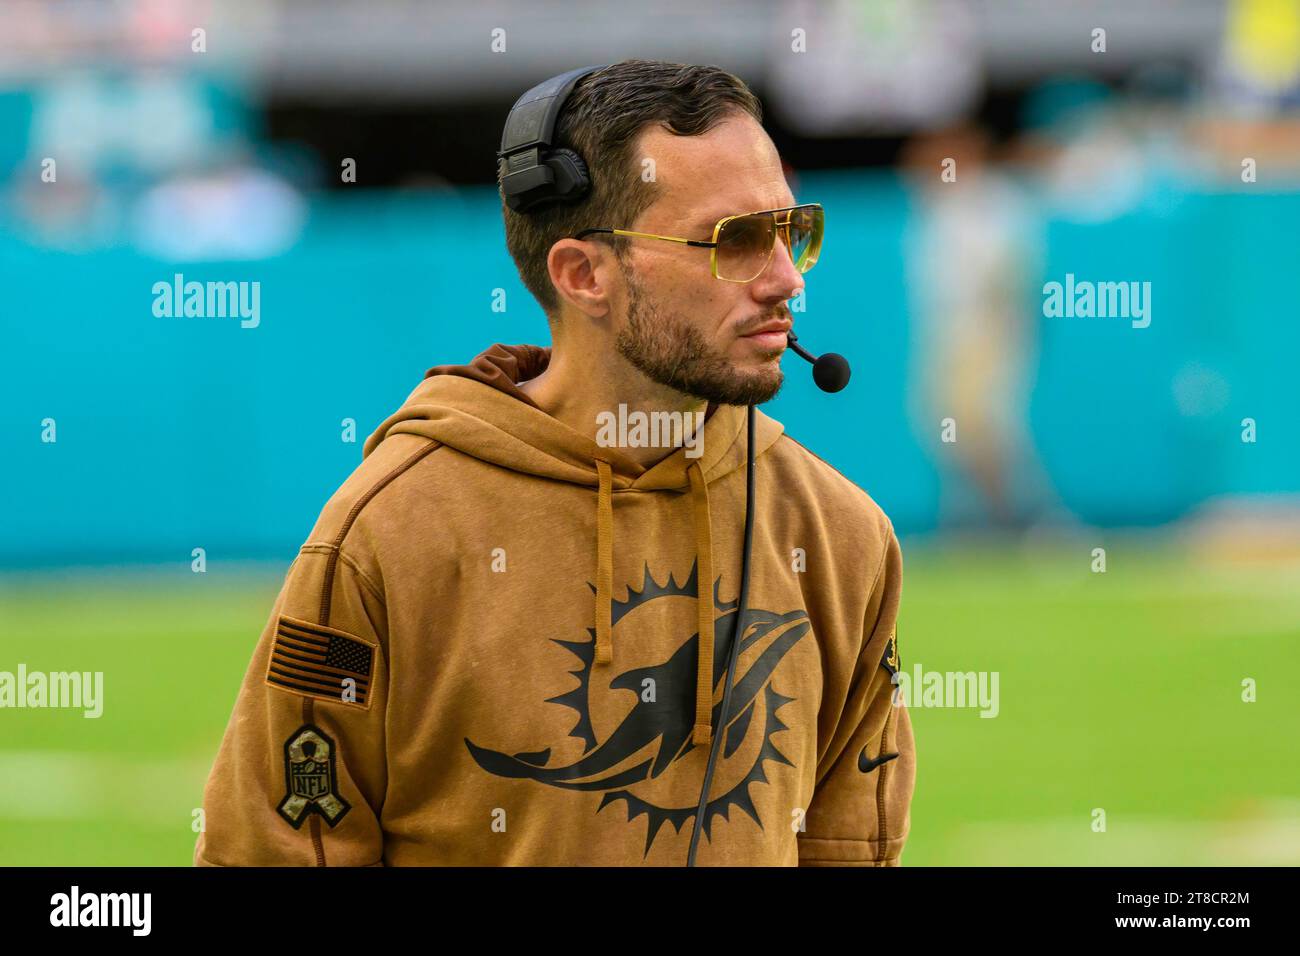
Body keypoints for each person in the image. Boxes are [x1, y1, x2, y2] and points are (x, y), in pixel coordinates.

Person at [195, 59, 914, 867]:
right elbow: (278, 851)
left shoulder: (842, 536)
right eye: (736, 240)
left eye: (793, 230)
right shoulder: (386, 535)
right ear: (582, 275)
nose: (786, 279)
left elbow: (854, 848)